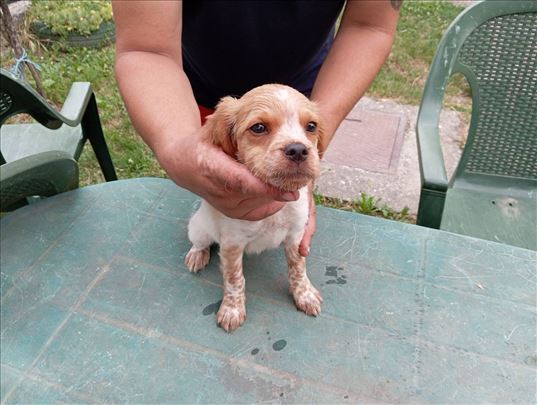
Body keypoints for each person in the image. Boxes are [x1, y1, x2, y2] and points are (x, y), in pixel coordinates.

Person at [112, 0, 401, 257]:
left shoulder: (303, 129)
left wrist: (314, 124)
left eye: (312, 130)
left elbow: (369, 25)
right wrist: (178, 147)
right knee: (220, 210)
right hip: (190, 95)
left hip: (304, 95)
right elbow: (146, 48)